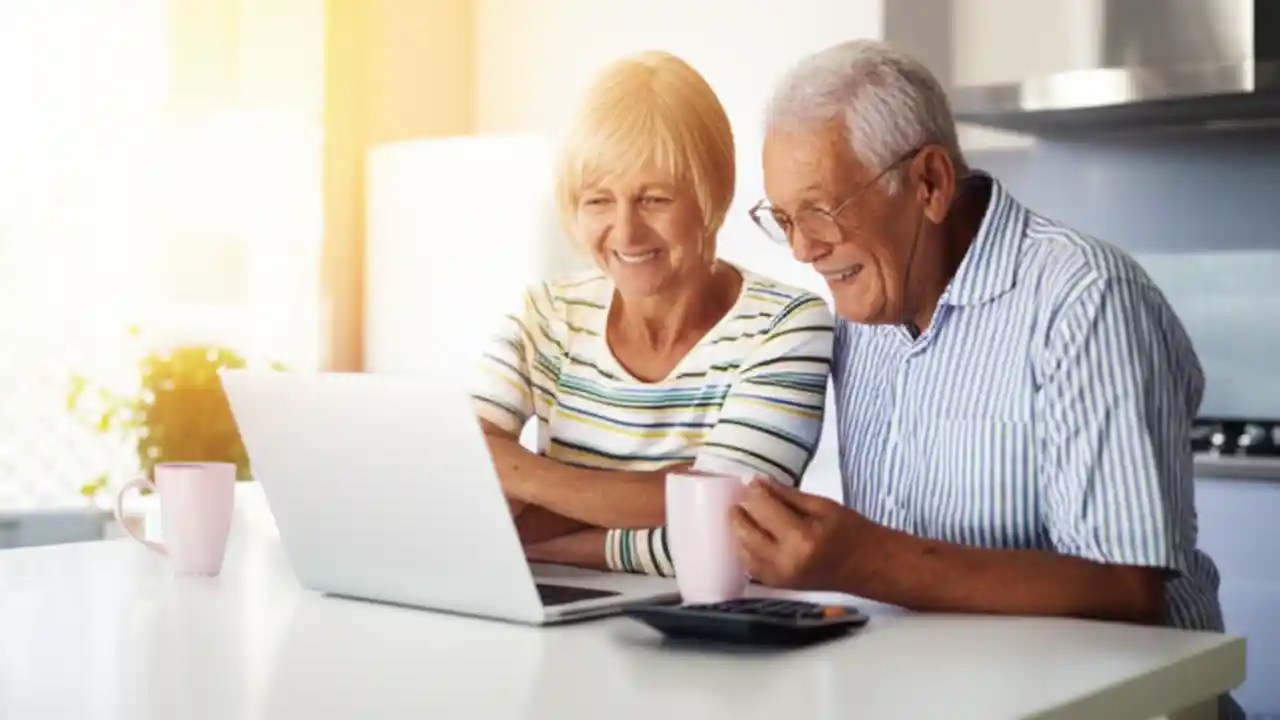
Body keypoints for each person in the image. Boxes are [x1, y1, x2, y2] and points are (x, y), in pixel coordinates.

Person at [732, 40, 1225, 633]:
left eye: (821, 210)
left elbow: (1128, 590)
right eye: (784, 219)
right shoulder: (864, 313)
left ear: (931, 184)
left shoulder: (1085, 299)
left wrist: (863, 560)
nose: (804, 249)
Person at [471, 51, 833, 576]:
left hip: (709, 641)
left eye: (654, 199)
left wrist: (525, 484)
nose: (626, 232)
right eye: (598, 201)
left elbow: (733, 535)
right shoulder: (545, 315)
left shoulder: (787, 325)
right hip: (551, 629)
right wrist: (667, 500)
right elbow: (460, 488)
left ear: (712, 196)